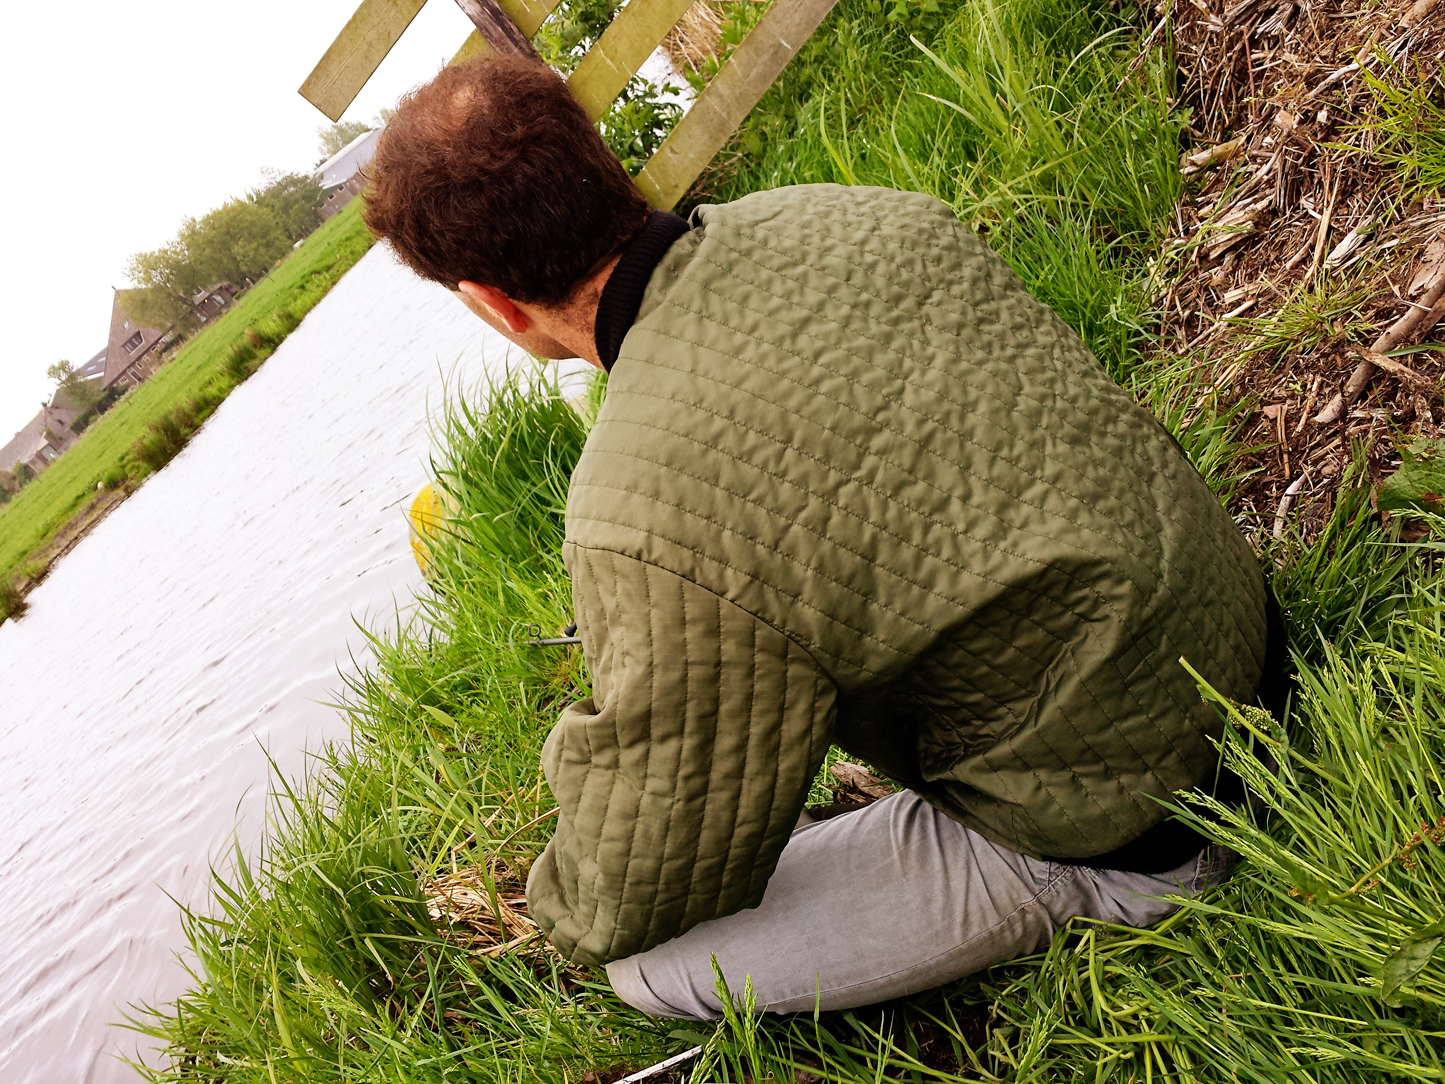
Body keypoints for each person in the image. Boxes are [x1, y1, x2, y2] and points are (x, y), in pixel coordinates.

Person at [363, 54, 1281, 1021]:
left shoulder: (635, 506)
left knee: (648, 968)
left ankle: (1081, 885)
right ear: (602, 167)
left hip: (1156, 817)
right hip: (1248, 636)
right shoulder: (853, 213)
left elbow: (644, 871)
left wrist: (551, 904)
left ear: (494, 304)